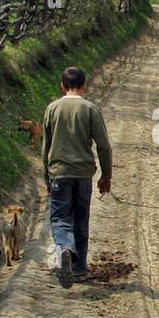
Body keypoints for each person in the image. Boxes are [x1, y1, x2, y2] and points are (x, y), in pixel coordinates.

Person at [41, 66, 112, 287]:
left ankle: (64, 248)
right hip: (83, 175)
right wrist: (105, 175)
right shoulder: (90, 109)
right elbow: (104, 146)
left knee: (60, 218)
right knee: (81, 220)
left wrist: (46, 176)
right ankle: (79, 268)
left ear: (62, 85)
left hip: (59, 174)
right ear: (84, 86)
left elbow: (46, 147)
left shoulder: (52, 109)